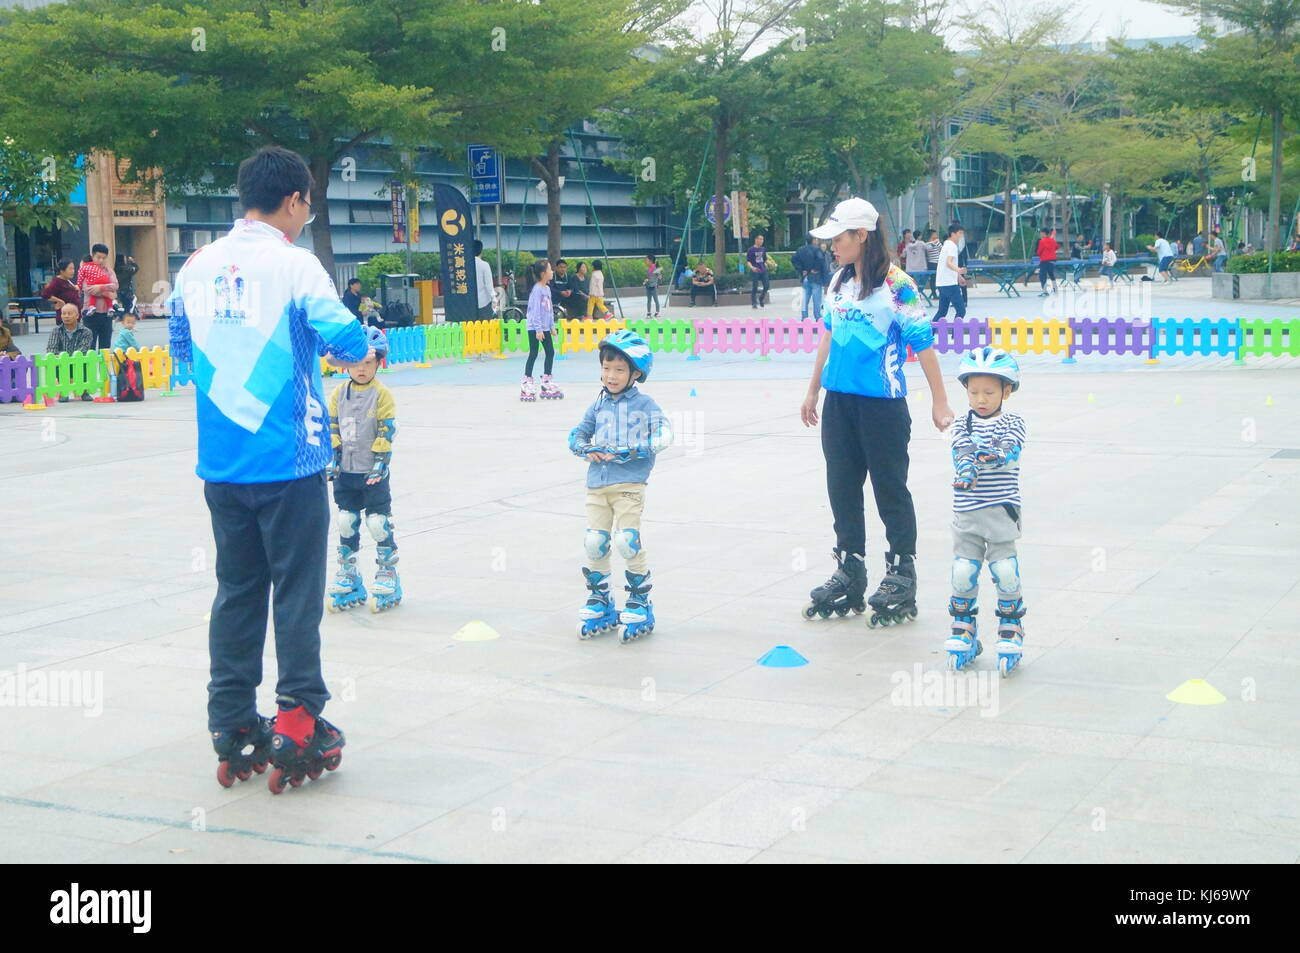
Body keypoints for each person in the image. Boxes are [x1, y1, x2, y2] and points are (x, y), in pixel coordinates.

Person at [166, 145, 372, 793]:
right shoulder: (294, 265)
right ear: (293, 201)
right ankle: (298, 716)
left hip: (222, 465)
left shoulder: (194, 266)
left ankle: (230, 719)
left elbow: (181, 356)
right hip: (290, 460)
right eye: (308, 202)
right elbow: (349, 341)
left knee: (237, 590)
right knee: (298, 592)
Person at [799, 197, 955, 628]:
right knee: (841, 488)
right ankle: (850, 568)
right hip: (839, 404)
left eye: (838, 239)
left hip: (882, 406)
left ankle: (901, 572)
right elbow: (827, 340)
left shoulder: (898, 285)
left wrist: (940, 401)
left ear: (861, 237)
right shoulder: (837, 283)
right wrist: (813, 390)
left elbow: (923, 344)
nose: (832, 247)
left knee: (890, 489)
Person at [568, 329, 672, 641]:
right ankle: (601, 600)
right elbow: (577, 434)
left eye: (618, 369)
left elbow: (665, 433)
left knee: (627, 540)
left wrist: (642, 447)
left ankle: (640, 601)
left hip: (629, 483)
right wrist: (584, 448)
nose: (610, 375)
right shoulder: (598, 404)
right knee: (595, 541)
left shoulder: (644, 404)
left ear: (635, 373)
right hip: (597, 483)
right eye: (606, 368)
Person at [944, 347, 1028, 676]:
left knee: (1005, 570)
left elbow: (1010, 449)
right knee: (964, 571)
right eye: (974, 391)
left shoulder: (1014, 422)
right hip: (967, 513)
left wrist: (992, 457)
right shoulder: (960, 424)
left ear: (1007, 391)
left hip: (1001, 510)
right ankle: (964, 627)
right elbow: (961, 451)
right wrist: (967, 467)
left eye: (989, 392)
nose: (981, 398)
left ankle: (1011, 626)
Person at [325, 326, 401, 613]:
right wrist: (332, 458)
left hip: (373, 473)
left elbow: (386, 430)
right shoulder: (338, 393)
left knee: (377, 523)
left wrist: (381, 463)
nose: (361, 369)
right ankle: (349, 573)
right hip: (345, 472)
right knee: (346, 520)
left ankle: (388, 574)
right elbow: (332, 427)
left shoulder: (382, 394)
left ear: (378, 363)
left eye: (367, 363)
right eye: (355, 362)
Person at [521, 259, 562, 401]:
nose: (552, 272)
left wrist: (551, 326)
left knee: (550, 352)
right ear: (543, 273)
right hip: (534, 328)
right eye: (550, 270)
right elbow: (535, 312)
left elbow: (549, 310)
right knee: (533, 353)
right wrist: (538, 330)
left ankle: (546, 381)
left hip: (544, 328)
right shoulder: (537, 290)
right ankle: (526, 382)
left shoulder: (547, 289)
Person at [46, 302, 95, 402]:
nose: (66, 316)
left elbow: (83, 350)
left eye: (69, 313)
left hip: (78, 362)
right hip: (61, 362)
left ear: (77, 316)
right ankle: (64, 392)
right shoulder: (56, 330)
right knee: (57, 362)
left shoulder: (86, 332)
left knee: (83, 361)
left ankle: (84, 391)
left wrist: (68, 358)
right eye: (63, 313)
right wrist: (61, 357)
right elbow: (51, 349)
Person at [77, 244, 117, 349]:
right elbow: (89, 289)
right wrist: (108, 293)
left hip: (106, 314)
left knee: (105, 346)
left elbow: (115, 285)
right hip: (90, 313)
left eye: (104, 258)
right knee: (90, 345)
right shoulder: (86, 269)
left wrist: (99, 287)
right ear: (93, 256)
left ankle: (104, 366)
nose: (101, 260)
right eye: (98, 257)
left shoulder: (109, 271)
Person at [934, 223, 966, 320]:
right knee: (961, 310)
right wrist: (959, 271)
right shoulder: (952, 246)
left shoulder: (946, 244)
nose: (961, 236)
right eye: (959, 233)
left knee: (942, 312)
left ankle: (929, 333)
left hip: (942, 283)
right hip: (949, 284)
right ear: (953, 233)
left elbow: (947, 264)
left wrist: (958, 277)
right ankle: (955, 335)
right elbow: (949, 263)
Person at [793, 235, 825, 320]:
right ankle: (817, 316)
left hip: (805, 276)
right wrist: (815, 269)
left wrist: (801, 270)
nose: (817, 241)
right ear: (813, 240)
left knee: (805, 298)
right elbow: (821, 259)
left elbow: (794, 259)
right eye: (816, 239)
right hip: (815, 277)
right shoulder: (817, 249)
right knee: (816, 298)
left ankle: (804, 316)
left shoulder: (800, 250)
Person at [472, 241, 495, 320]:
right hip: (483, 303)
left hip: (468, 304)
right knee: (485, 329)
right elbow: (489, 285)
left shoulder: (464, 265)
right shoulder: (484, 265)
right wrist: (494, 298)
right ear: (481, 251)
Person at [746, 235, 769, 308]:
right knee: (755, 287)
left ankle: (761, 298)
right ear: (756, 240)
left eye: (762, 239)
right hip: (755, 270)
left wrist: (772, 264)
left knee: (766, 286)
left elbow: (765, 259)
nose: (762, 241)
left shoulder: (763, 249)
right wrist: (752, 267)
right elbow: (748, 261)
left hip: (763, 269)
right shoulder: (751, 250)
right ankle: (754, 303)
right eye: (760, 239)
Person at [1035, 227, 1058, 297]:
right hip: (1053, 260)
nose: (1040, 234)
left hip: (1044, 260)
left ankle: (1045, 291)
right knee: (1051, 274)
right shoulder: (1052, 240)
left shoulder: (1042, 241)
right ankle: (1055, 288)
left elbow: (1039, 252)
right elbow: (1056, 247)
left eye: (1041, 233)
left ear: (1043, 233)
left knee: (1043, 276)